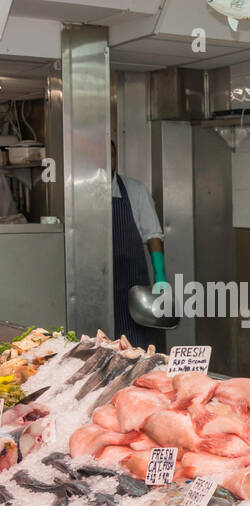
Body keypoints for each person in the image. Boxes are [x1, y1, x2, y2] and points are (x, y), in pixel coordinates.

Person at [111, 140, 169, 349]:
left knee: (137, 349)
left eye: (112, 155)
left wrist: (160, 274)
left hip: (132, 286)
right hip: (96, 288)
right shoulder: (79, 195)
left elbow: (153, 234)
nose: (108, 161)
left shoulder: (135, 190)